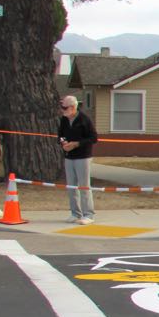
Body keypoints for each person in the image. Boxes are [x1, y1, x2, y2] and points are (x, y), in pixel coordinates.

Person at [57, 95, 99, 224]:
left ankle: (88, 214)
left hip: (83, 157)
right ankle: (75, 213)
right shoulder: (64, 120)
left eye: (65, 107)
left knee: (84, 186)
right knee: (71, 186)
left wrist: (76, 144)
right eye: (61, 107)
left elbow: (93, 138)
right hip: (69, 157)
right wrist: (64, 143)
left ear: (73, 107)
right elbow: (60, 135)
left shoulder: (84, 119)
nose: (62, 110)